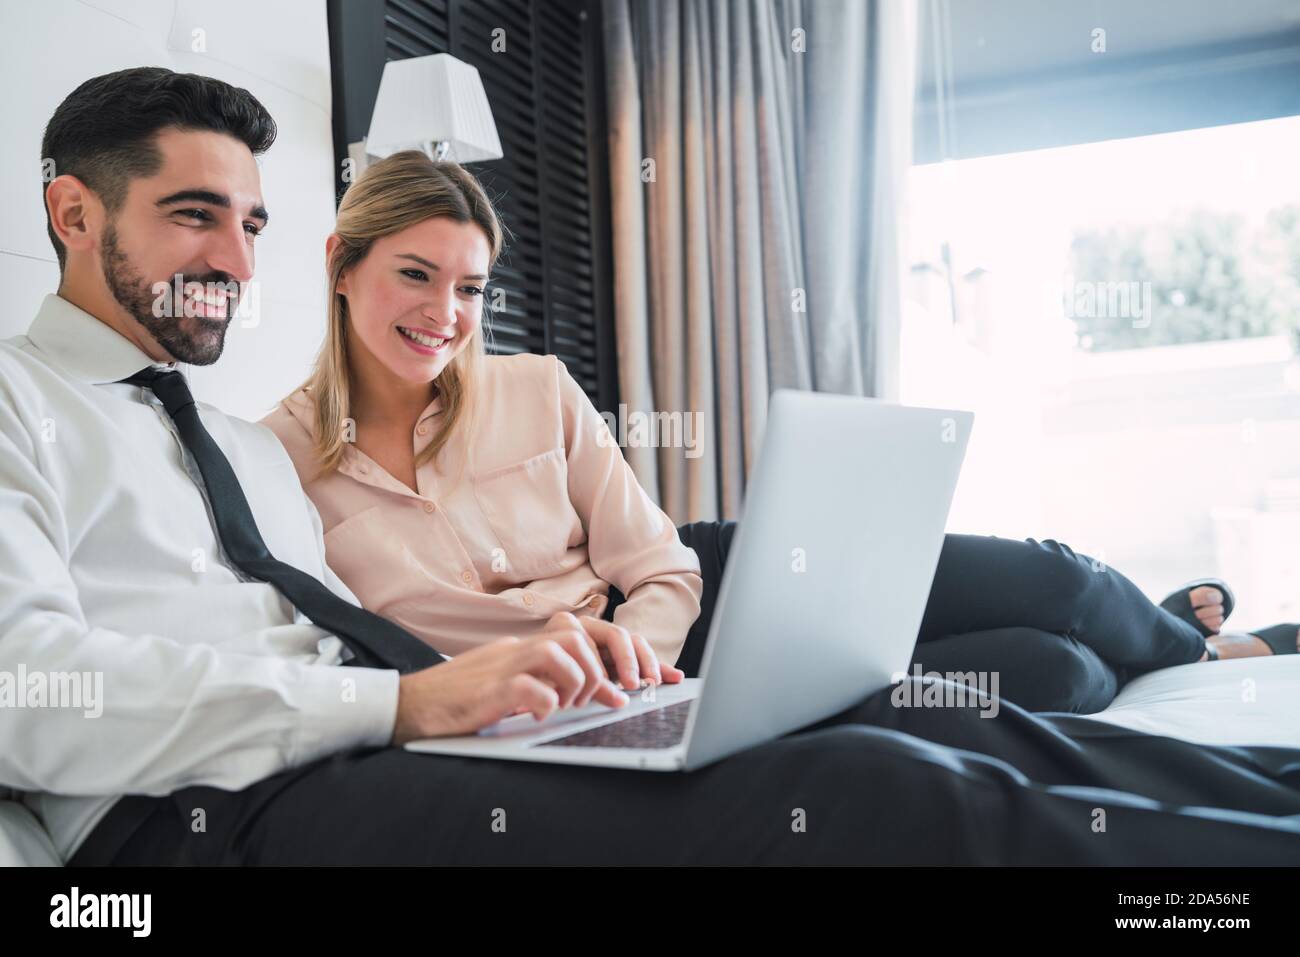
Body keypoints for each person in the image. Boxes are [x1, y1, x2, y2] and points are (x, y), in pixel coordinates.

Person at [6, 67, 1299, 868]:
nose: (235, 258)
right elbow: (31, 688)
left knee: (926, 735)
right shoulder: (39, 410)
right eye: (194, 214)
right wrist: (416, 702)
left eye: (250, 222)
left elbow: (617, 572)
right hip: (204, 812)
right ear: (74, 213)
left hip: (411, 731)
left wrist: (567, 689)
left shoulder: (232, 445)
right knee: (863, 787)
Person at [259, 149, 1275, 719]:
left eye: (470, 286)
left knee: (1058, 580)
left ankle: (1206, 651)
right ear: (341, 262)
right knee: (1044, 675)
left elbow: (659, 566)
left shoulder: (534, 387)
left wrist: (626, 647)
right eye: (414, 274)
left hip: (705, 586)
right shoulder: (276, 468)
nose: (446, 312)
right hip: (633, 690)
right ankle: (1164, 648)